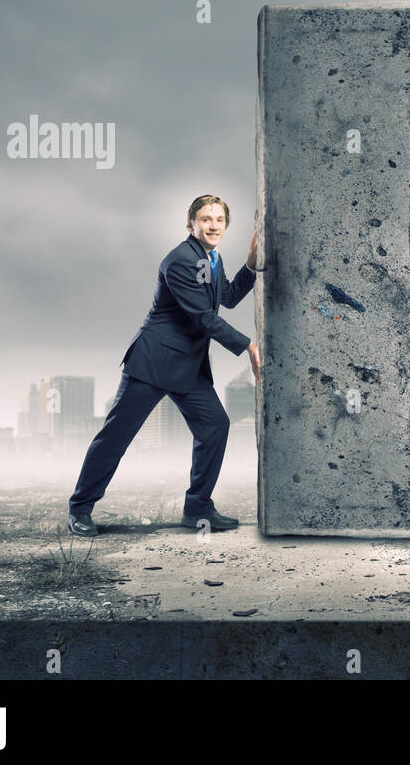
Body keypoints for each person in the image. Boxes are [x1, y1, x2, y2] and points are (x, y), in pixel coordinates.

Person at [67, 194, 263, 536]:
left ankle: (198, 507)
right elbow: (203, 317)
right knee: (115, 437)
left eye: (219, 219)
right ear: (191, 224)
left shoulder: (211, 259)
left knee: (215, 425)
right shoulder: (181, 260)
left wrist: (249, 267)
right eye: (205, 219)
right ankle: (80, 508)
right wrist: (248, 345)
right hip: (154, 363)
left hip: (188, 368)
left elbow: (227, 298)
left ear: (226, 226)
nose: (213, 225)